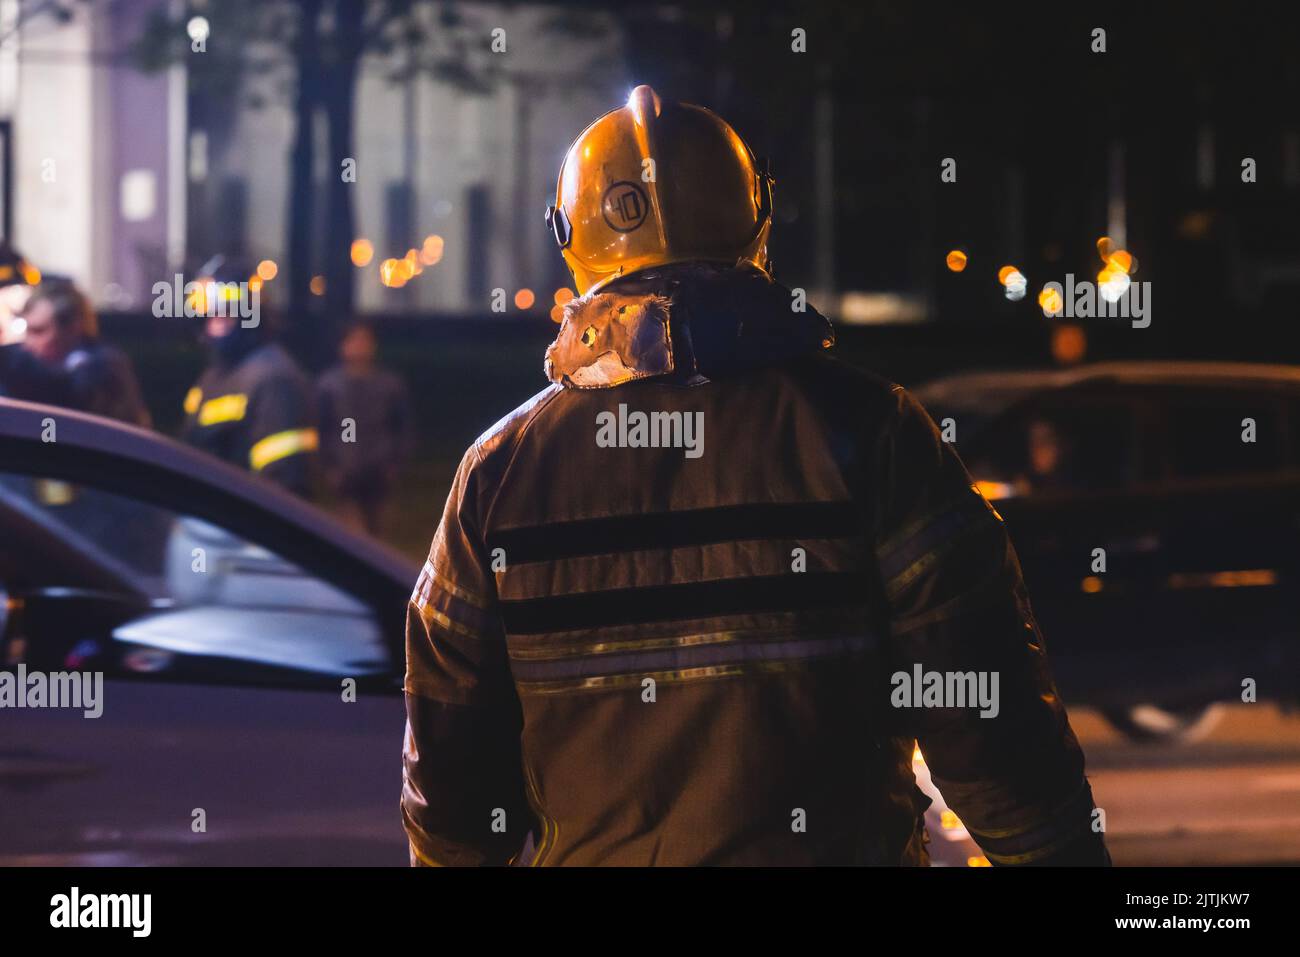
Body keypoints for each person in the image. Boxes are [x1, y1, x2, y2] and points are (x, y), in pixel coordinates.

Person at [400, 86, 1110, 866]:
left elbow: (453, 796)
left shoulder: (496, 476)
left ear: (570, 238)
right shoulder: (873, 433)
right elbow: (991, 728)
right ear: (756, 217)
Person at [180, 256, 317, 497]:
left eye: (225, 314)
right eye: (209, 315)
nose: (215, 324)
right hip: (204, 514)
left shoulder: (275, 379)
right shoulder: (213, 376)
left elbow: (283, 484)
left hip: (238, 518)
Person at [0, 277, 151, 427]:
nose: (28, 344)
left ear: (72, 329)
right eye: (28, 331)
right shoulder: (21, 361)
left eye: (39, 331)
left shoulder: (103, 368)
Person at [316, 321, 414, 536]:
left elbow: (402, 427)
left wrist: (395, 465)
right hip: (346, 475)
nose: (359, 346)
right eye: (354, 340)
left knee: (377, 538)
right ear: (342, 345)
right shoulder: (330, 386)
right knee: (352, 536)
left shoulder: (390, 385)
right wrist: (330, 467)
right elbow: (323, 428)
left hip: (379, 474)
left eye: (365, 341)